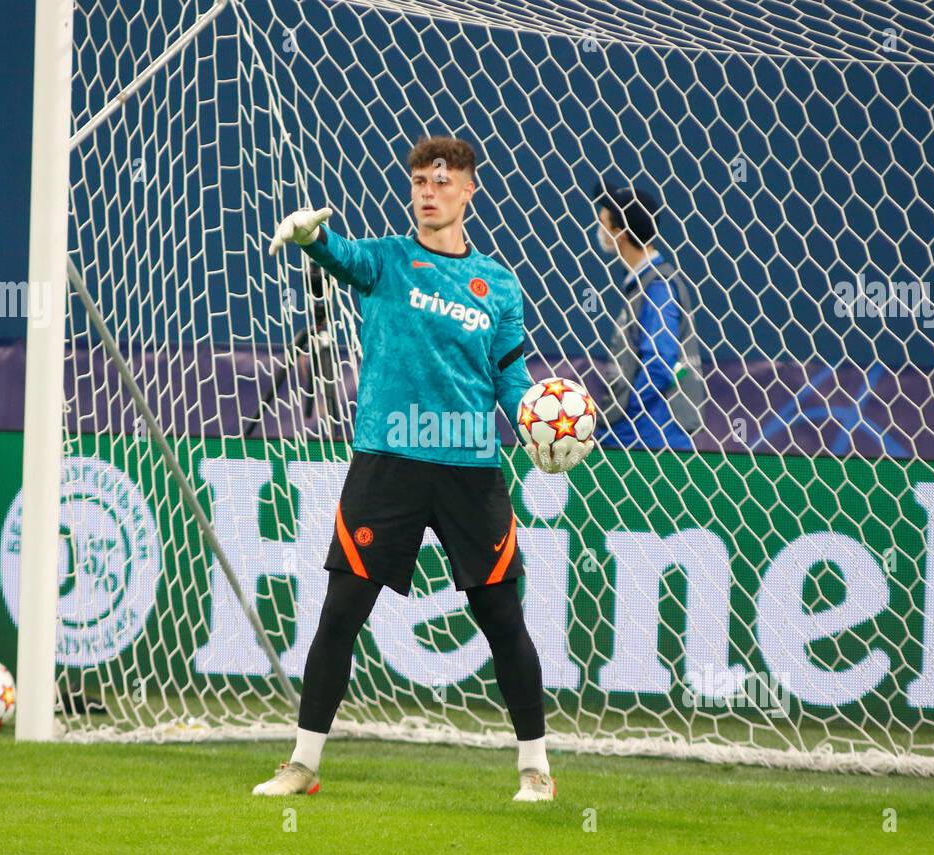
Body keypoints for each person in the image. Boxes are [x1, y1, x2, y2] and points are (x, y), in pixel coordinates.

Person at [256, 135, 592, 802]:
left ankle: (535, 769)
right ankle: (302, 764)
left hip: (470, 469)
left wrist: (539, 428)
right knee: (340, 614)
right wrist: (311, 239)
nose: (428, 192)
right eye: (419, 181)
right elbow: (341, 254)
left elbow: (510, 378)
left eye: (442, 181)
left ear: (469, 190)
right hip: (387, 465)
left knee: (503, 619)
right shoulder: (386, 260)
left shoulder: (498, 284)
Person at [592, 180, 705, 450]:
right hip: (641, 435)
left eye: (603, 223)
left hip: (650, 439)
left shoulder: (658, 287)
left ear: (620, 234)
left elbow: (659, 364)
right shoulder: (644, 283)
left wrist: (623, 421)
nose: (599, 229)